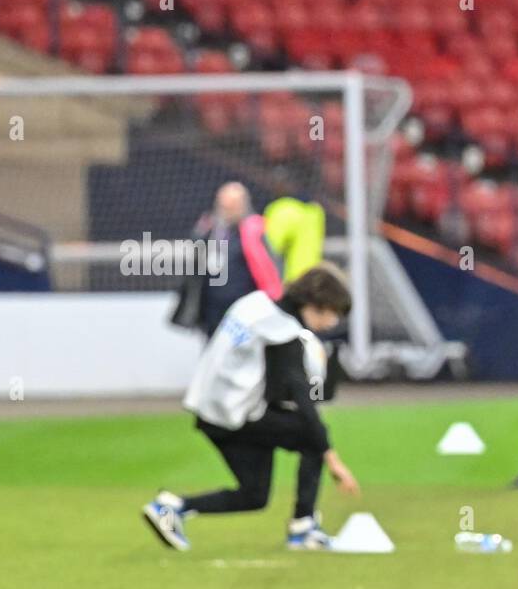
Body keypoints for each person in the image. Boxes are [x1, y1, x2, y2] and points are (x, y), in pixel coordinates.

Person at [143, 264, 360, 552]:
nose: (332, 323)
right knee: (313, 436)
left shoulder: (254, 304)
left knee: (254, 495)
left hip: (209, 408)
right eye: (334, 313)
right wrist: (332, 458)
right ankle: (303, 529)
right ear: (316, 305)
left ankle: (170, 507)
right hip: (235, 416)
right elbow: (301, 395)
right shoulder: (283, 333)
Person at [171, 182, 284, 338]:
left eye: (233, 205)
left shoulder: (253, 230)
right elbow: (196, 262)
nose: (228, 209)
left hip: (243, 307)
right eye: (224, 204)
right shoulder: (211, 228)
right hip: (211, 307)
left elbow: (268, 267)